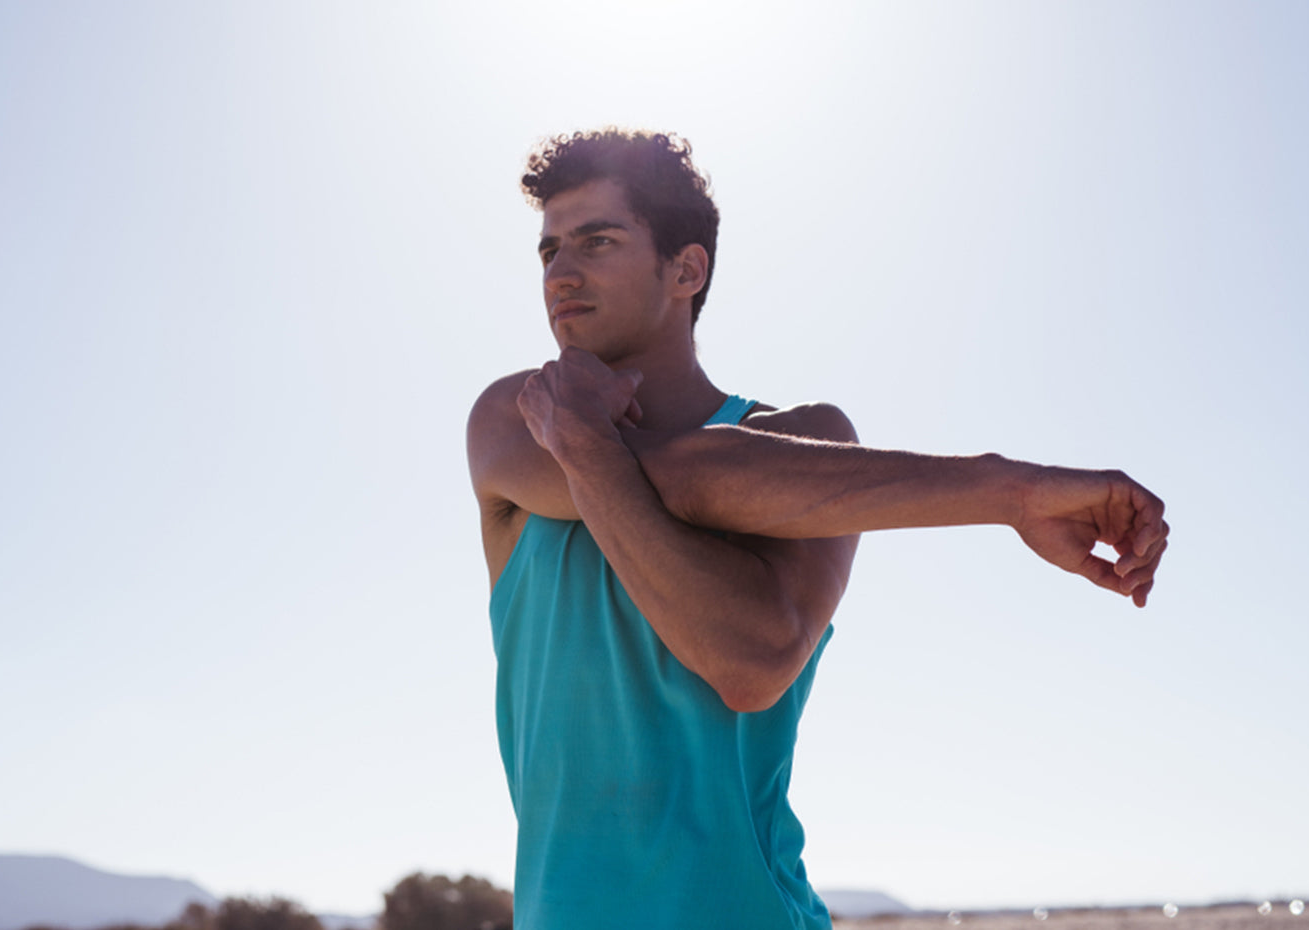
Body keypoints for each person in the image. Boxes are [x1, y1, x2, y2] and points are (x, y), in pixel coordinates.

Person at [466, 129, 1168, 930]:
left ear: (686, 269)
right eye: (549, 249)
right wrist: (1008, 490)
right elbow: (695, 477)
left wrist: (588, 447)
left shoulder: (813, 438)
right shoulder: (514, 418)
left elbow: (752, 661)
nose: (561, 272)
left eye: (597, 241)